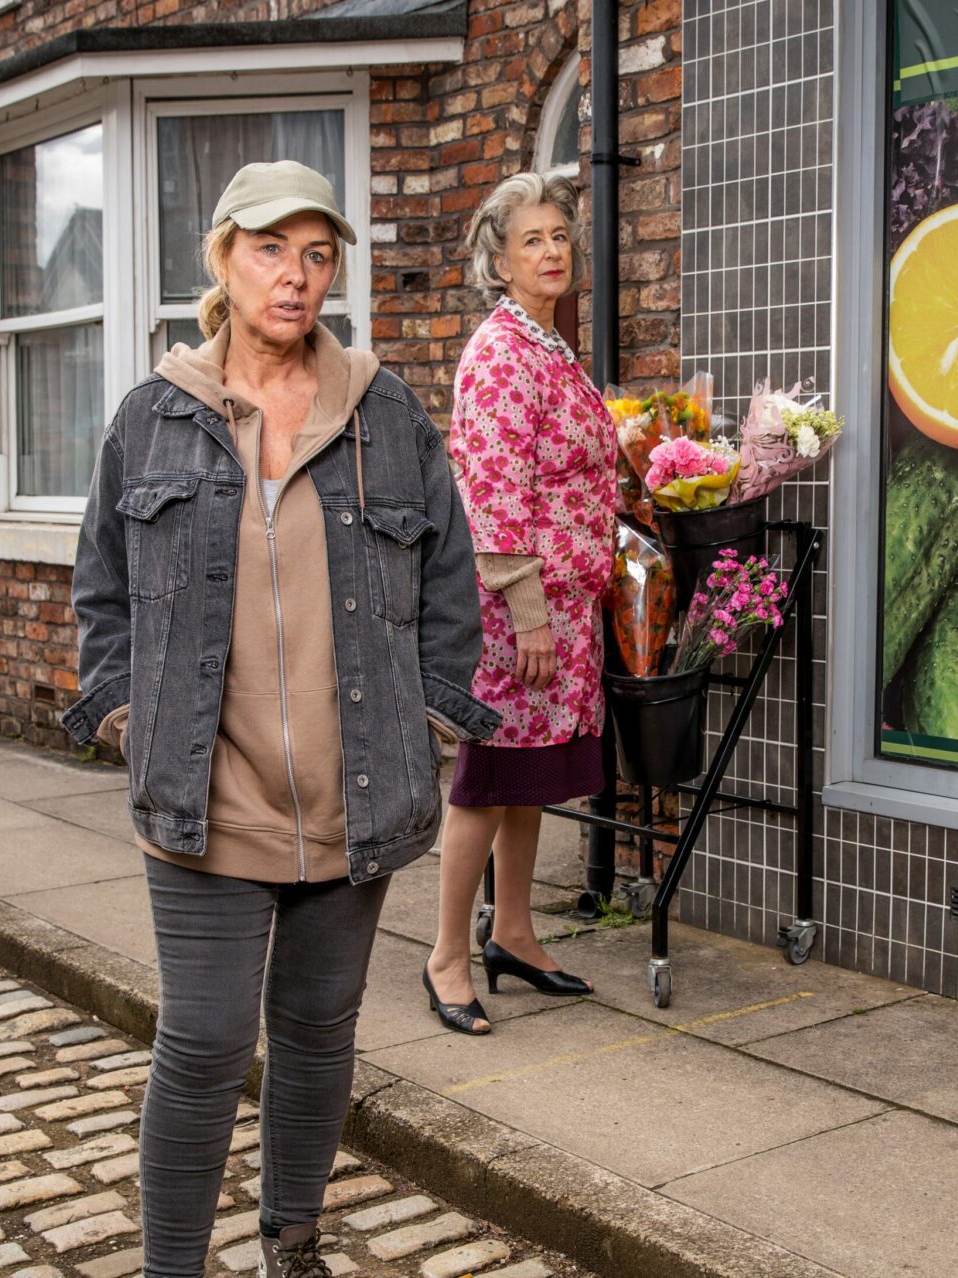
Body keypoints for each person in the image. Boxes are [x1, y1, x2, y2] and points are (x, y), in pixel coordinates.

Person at [61, 159, 497, 1278]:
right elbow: (101, 581)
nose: (293, 277)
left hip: (356, 799)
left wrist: (433, 718)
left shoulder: (384, 413)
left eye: (316, 254)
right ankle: (173, 1267)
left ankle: (290, 1240)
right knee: (203, 1041)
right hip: (206, 797)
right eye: (269, 250)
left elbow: (450, 580)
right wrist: (119, 708)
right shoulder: (152, 417)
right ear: (221, 258)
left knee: (315, 1040)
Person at [425, 172, 618, 1036]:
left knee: (531, 776)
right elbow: (492, 495)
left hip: (566, 604)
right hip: (518, 608)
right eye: (531, 240)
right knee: (489, 776)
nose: (551, 252)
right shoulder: (502, 353)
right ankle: (446, 959)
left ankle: (512, 933)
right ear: (498, 262)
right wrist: (530, 610)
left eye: (559, 237)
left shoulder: (549, 344)